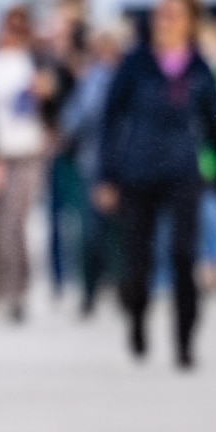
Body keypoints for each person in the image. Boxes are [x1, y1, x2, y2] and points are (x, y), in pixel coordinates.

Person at [95, 0, 216, 368]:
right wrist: (106, 176)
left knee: (184, 255)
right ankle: (137, 319)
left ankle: (185, 342)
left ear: (190, 22)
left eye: (174, 15)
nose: (164, 22)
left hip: (184, 171)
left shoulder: (200, 67)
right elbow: (111, 120)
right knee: (138, 260)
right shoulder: (135, 64)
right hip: (137, 171)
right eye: (159, 14)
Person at [0, 5, 48, 322]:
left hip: (23, 153)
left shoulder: (37, 61)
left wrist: (47, 93)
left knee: (10, 225)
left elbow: (62, 96)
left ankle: (16, 292)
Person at [56, 26, 127, 314]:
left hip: (124, 165)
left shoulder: (126, 76)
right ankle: (91, 290)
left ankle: (121, 286)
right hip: (93, 163)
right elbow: (73, 119)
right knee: (90, 231)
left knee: (119, 232)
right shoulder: (92, 78)